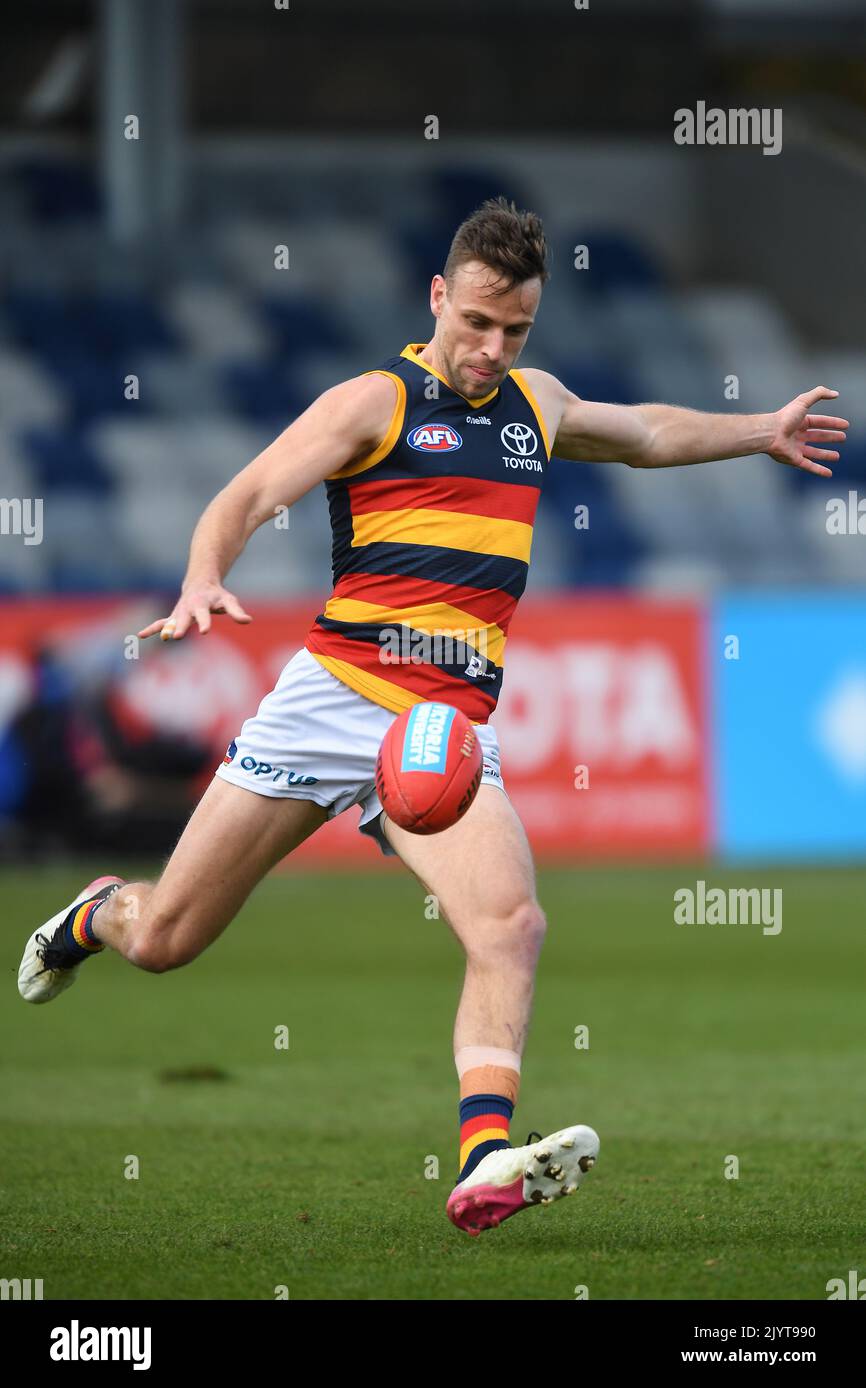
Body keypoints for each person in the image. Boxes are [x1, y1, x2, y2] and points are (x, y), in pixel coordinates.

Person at [18, 196, 847, 1235]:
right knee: (166, 941)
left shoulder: (534, 402)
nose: (492, 350)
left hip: (441, 731)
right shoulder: (374, 400)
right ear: (436, 299)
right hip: (327, 702)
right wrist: (200, 578)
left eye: (514, 331)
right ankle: (99, 911)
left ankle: (484, 1153)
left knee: (509, 924)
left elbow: (640, 433)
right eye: (476, 325)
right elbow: (242, 494)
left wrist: (756, 429)